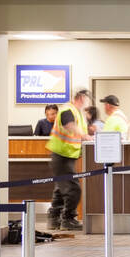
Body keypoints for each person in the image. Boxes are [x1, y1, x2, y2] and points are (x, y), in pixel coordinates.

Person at [46, 89, 93, 231]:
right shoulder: (68, 110)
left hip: (65, 155)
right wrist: (85, 136)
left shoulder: (76, 112)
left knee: (61, 188)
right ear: (80, 98)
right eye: (85, 99)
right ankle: (68, 219)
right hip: (61, 155)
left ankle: (54, 219)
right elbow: (69, 125)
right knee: (73, 188)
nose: (86, 102)